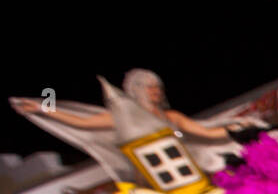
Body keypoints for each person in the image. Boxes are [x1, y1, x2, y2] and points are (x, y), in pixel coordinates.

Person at [11, 68, 243, 142]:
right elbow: (81, 122)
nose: (154, 91)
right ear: (135, 90)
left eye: (156, 87)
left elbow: (205, 132)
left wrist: (239, 131)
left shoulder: (171, 116)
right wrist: (43, 108)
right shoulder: (124, 118)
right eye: (147, 86)